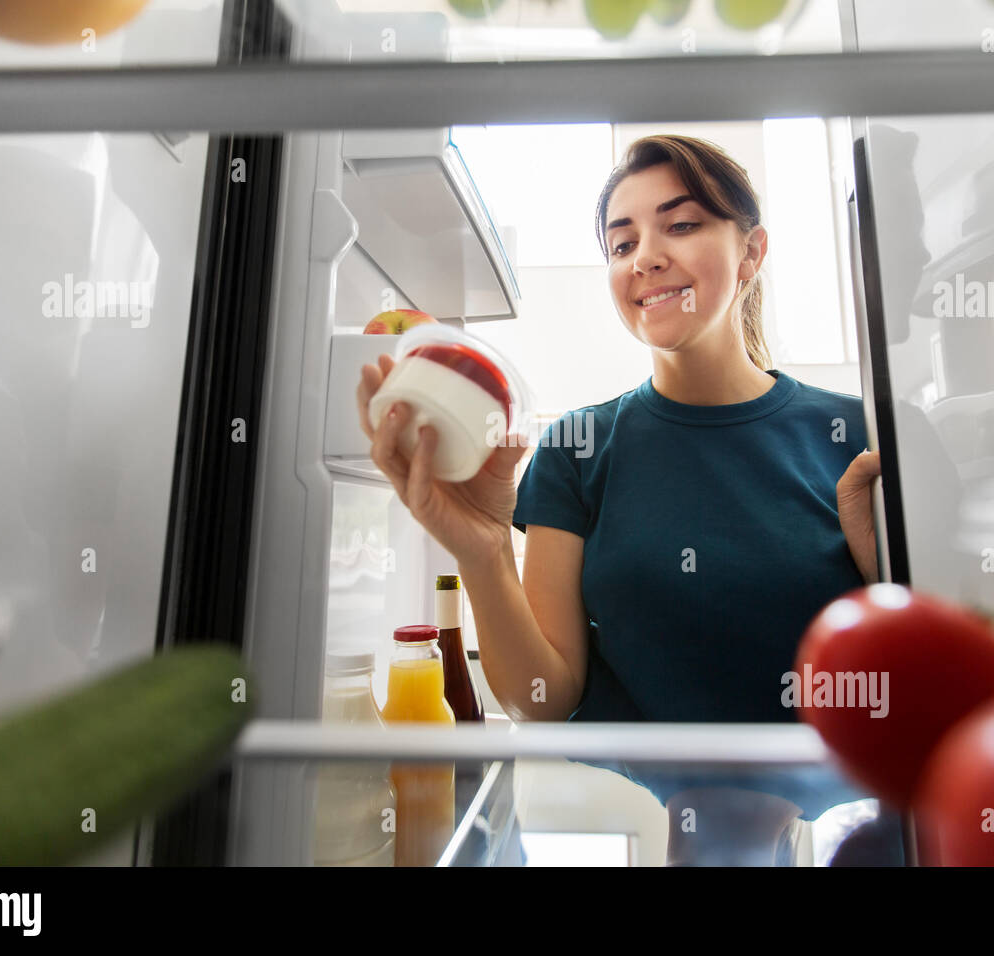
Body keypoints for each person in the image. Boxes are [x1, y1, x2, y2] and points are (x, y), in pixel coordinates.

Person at [357, 134, 894, 857]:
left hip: (850, 829)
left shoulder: (855, 434)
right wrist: (483, 552)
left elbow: (931, 671)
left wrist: (886, 576)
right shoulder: (579, 449)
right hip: (640, 823)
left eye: (681, 224)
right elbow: (545, 701)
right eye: (621, 242)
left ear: (752, 252)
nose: (645, 257)